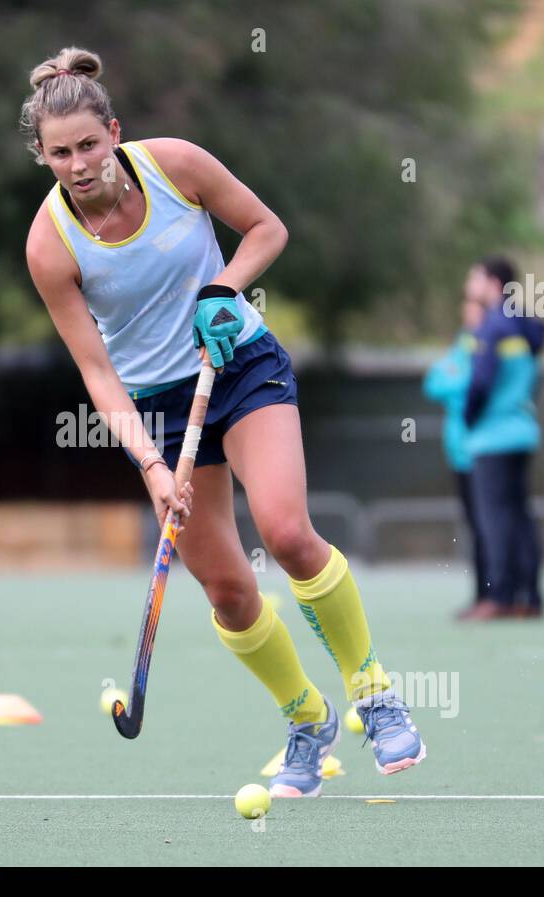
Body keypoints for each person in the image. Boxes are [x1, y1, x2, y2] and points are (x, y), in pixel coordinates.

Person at [21, 47, 425, 790]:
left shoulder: (176, 166)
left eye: (88, 144)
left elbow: (267, 229)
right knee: (227, 589)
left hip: (237, 367)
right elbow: (97, 371)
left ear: (114, 131)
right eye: (60, 153)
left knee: (285, 530)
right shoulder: (50, 247)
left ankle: (376, 696)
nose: (78, 164)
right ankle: (307, 720)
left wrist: (224, 288)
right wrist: (149, 464)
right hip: (158, 410)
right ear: (40, 157)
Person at [462, 256, 544, 619]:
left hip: (492, 436)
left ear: (494, 284)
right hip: (523, 432)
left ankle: (497, 596)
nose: (471, 284)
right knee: (519, 516)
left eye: (476, 278)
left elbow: (481, 382)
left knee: (493, 518)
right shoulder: (529, 325)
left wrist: (469, 415)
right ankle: (529, 597)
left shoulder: (492, 326)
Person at [423, 283, 487, 619]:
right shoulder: (464, 342)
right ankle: (483, 596)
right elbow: (434, 382)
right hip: (460, 450)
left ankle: (497, 596)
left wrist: (457, 381)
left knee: (489, 526)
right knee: (476, 525)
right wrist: (457, 381)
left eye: (474, 305)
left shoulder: (489, 341)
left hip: (484, 449)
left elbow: (473, 384)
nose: (468, 310)